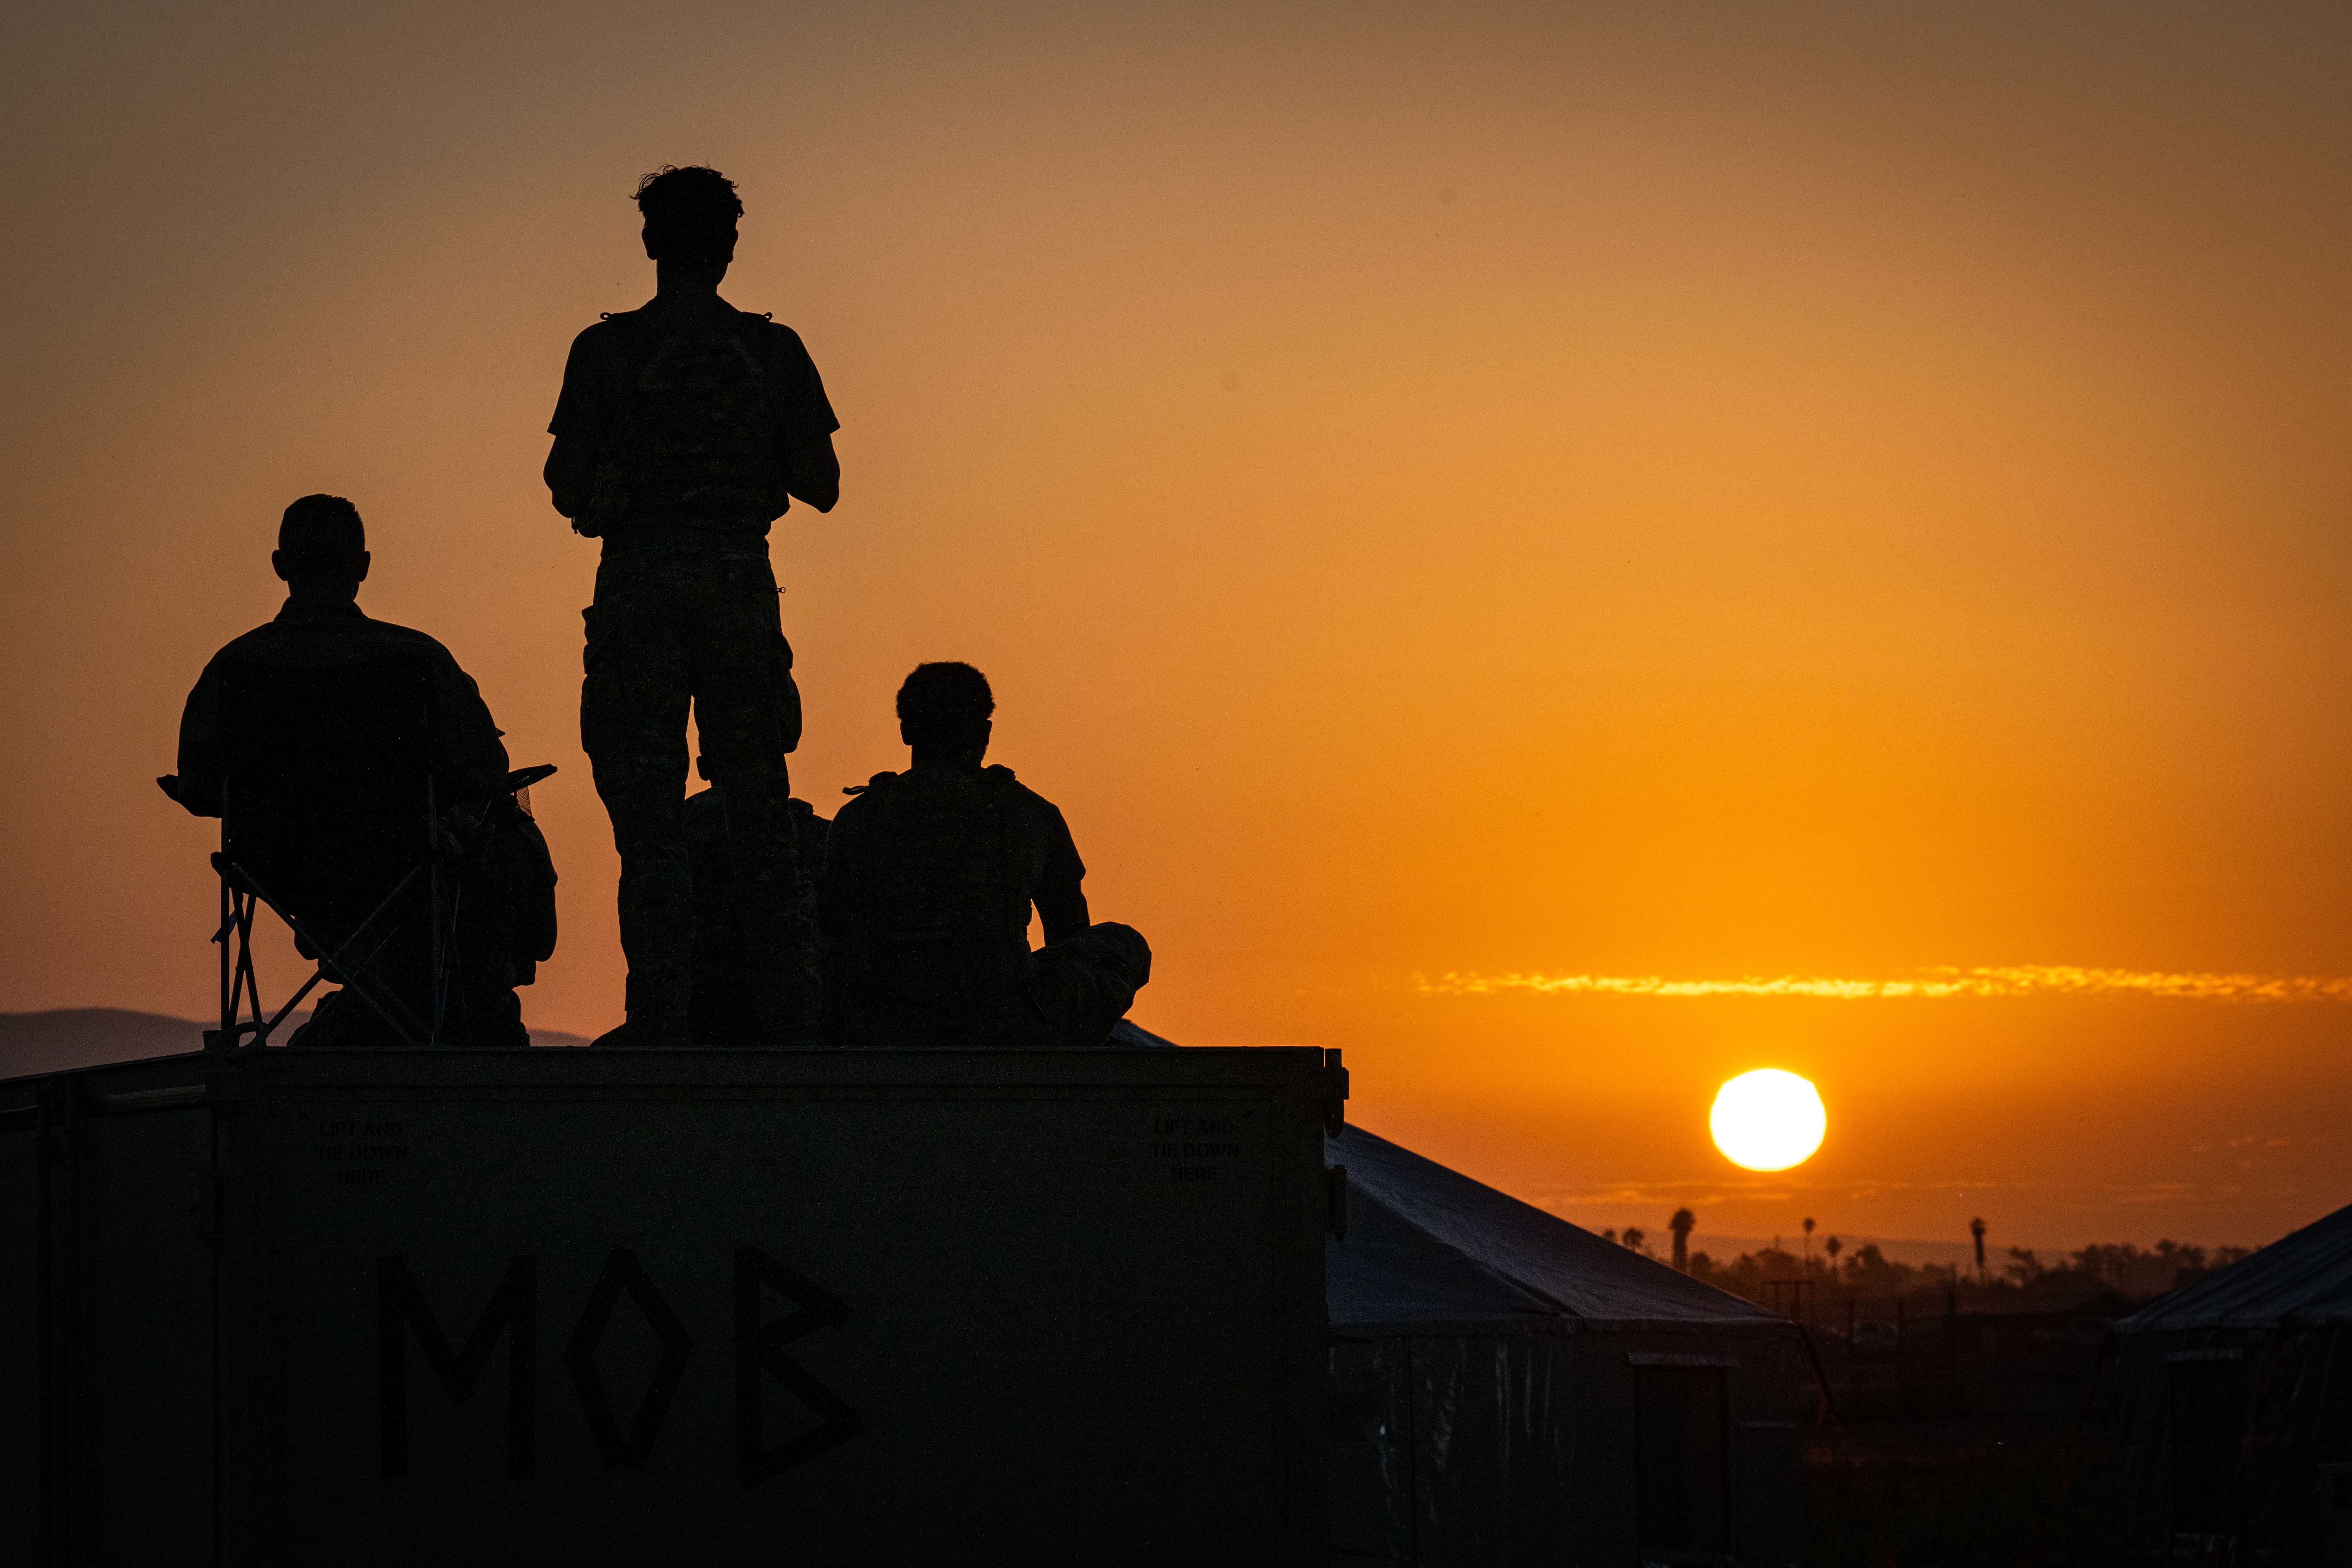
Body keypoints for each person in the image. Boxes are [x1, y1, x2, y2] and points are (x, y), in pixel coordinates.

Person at [544, 164, 840, 1048]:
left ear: (649, 242)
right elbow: (819, 482)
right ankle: (788, 1015)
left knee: (649, 822)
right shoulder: (772, 350)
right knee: (761, 815)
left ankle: (661, 1017)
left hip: (637, 592)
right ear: (730, 245)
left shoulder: (606, 352)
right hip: (739, 589)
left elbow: (565, 490)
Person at [165, 494, 557, 1047]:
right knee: (507, 835)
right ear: (364, 566)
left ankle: (378, 1011)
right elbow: (485, 774)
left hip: (284, 873)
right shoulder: (415, 659)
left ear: (280, 566)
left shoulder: (234, 666)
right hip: (404, 865)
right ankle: (475, 1017)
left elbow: (201, 787)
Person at [820, 662, 1151, 1049]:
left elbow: (833, 938)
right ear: (985, 732)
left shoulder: (860, 818)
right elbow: (1070, 934)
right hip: (1003, 1025)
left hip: (888, 1025)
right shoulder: (1029, 813)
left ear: (907, 731)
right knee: (1124, 943)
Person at [683, 752, 829, 1045]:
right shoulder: (812, 829)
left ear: (702, 767)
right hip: (797, 1008)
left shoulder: (682, 827)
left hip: (707, 1007)